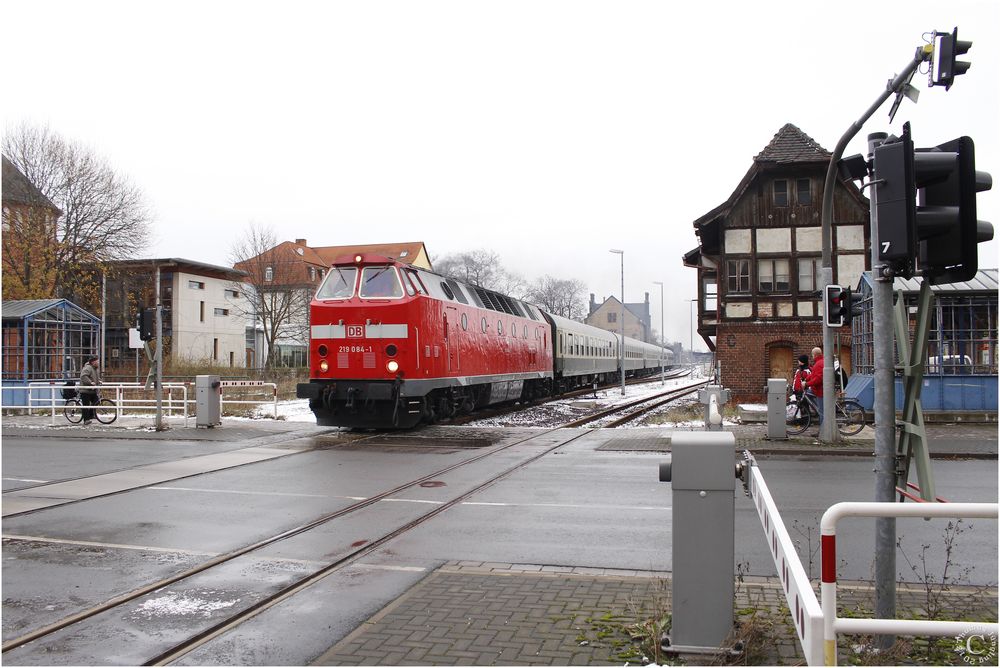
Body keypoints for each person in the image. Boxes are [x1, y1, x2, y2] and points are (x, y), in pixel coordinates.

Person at [804, 346, 824, 425]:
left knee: (822, 412)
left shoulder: (819, 364)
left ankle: (823, 429)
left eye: (812, 355)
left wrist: (807, 384)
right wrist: (806, 379)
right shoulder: (819, 362)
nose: (812, 357)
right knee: (808, 393)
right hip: (817, 389)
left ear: (815, 355)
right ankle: (816, 407)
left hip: (820, 390)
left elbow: (818, 379)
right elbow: (813, 374)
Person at [79, 355, 100, 425]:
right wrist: (90, 382)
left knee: (96, 401)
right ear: (93, 362)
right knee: (86, 405)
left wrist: (99, 381)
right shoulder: (88, 368)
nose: (98, 362)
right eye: (97, 361)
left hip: (92, 390)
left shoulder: (95, 369)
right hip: (85, 390)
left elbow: (95, 377)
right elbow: (83, 376)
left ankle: (91, 415)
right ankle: (86, 420)